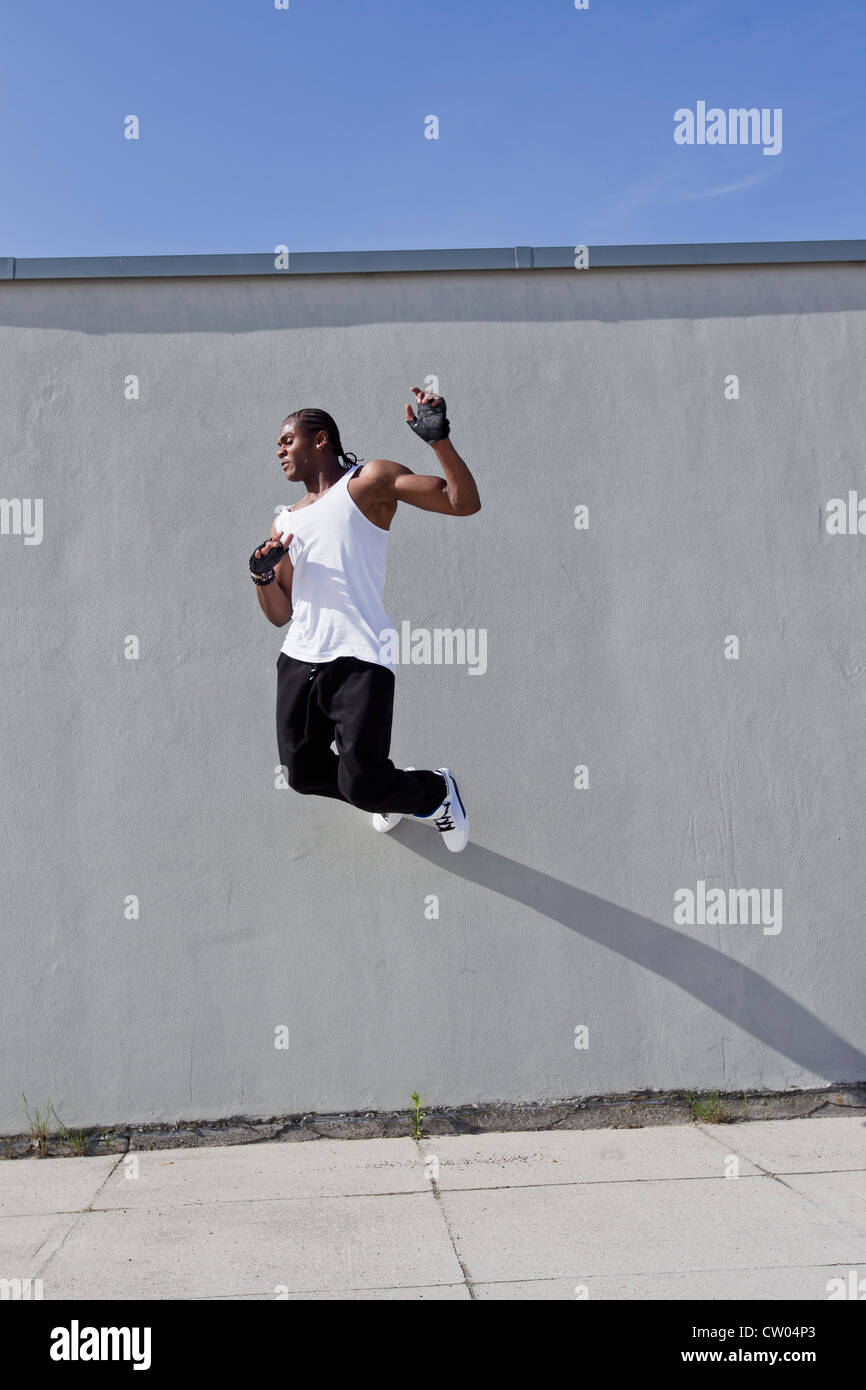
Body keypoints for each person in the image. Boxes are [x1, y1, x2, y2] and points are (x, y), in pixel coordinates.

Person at [250, 388, 481, 852]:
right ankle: (385, 792)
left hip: (360, 655)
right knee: (301, 774)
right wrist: (262, 575)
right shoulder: (285, 522)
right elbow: (282, 614)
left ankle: (435, 793)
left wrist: (439, 442)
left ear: (320, 441)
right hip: (299, 659)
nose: (279, 451)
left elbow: (463, 503)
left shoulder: (368, 482)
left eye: (286, 441)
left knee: (361, 784)